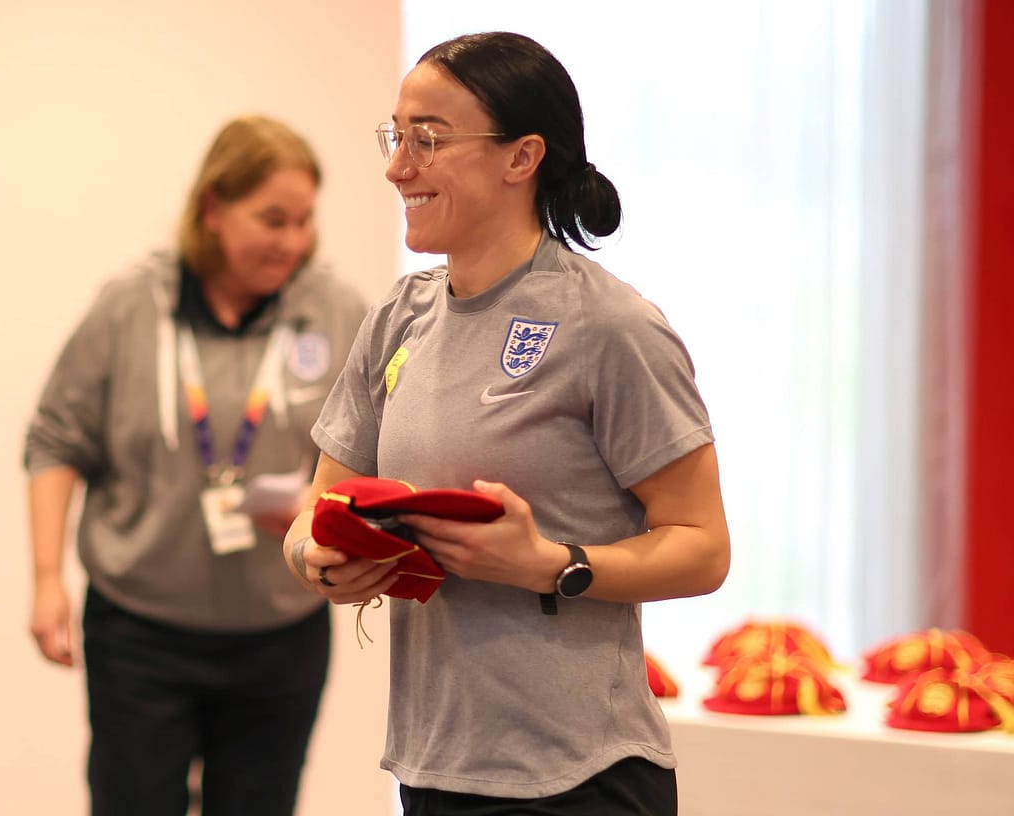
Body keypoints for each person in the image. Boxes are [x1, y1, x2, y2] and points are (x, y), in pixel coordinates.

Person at [282, 32, 731, 816]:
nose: (397, 167)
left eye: (427, 139)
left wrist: (551, 563)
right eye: (397, 137)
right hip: (433, 769)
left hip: (581, 780)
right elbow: (318, 511)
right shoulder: (398, 317)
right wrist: (322, 562)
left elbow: (703, 547)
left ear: (521, 158)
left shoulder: (610, 325)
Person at [24, 114, 368, 816]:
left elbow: (376, 452)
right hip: (141, 636)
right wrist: (45, 579)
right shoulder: (131, 307)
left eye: (304, 221)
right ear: (213, 208)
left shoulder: (335, 311)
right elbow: (56, 441)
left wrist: (327, 505)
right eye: (272, 219)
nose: (292, 242)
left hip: (281, 636)